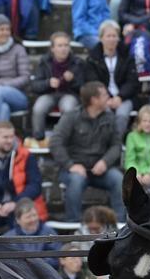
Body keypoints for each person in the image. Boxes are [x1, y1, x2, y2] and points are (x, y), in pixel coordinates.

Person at [51, 81, 123, 219]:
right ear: (94, 100)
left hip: (101, 170)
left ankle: (120, 225)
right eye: (104, 94)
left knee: (119, 179)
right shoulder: (71, 117)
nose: (108, 96)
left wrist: (105, 162)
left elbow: (116, 145)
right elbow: (55, 143)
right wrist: (70, 165)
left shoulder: (110, 118)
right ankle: (73, 226)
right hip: (74, 169)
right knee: (76, 181)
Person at [85, 20, 142, 139]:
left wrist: (120, 97)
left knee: (122, 114)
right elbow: (93, 81)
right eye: (108, 36)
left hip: (124, 97)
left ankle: (115, 143)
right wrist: (107, 98)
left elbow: (132, 81)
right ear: (101, 38)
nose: (111, 39)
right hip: (102, 97)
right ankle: (105, 144)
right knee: (106, 114)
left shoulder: (127, 55)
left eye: (114, 36)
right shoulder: (92, 58)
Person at [30, 32, 89, 143]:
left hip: (70, 94)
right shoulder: (44, 61)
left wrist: (72, 81)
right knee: (39, 107)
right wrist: (48, 83)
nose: (63, 49)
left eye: (66, 45)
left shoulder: (78, 63)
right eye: (60, 46)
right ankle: (39, 139)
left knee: (69, 108)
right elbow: (34, 85)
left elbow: (84, 88)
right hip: (49, 94)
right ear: (52, 48)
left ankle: (64, 139)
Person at [124, 104, 150, 188]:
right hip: (137, 171)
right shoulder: (132, 136)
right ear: (139, 122)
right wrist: (137, 173)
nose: (147, 124)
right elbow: (130, 159)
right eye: (144, 121)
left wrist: (149, 173)